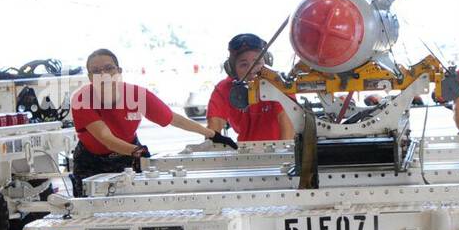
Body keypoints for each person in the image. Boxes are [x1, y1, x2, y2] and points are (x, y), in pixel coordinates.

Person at [69, 48, 231, 197]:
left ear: (119, 71)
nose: (103, 74)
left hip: (130, 155)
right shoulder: (82, 99)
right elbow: (106, 138)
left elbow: (173, 118)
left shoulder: (137, 95)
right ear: (90, 77)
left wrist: (212, 134)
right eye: (96, 71)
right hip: (91, 161)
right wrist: (137, 151)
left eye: (109, 68)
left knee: (133, 205)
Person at [205, 33, 293, 142]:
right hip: (244, 152)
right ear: (232, 70)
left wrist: (283, 157)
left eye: (257, 62)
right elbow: (214, 128)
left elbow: (288, 128)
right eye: (244, 64)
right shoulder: (225, 88)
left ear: (267, 63)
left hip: (279, 150)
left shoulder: (279, 83)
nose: (251, 70)